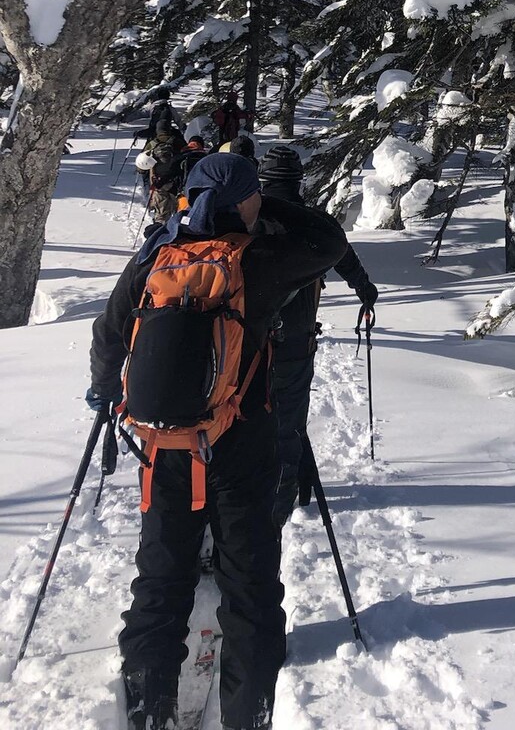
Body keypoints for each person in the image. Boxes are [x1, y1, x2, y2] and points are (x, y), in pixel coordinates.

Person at [87, 153, 353, 730]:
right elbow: (329, 241)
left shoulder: (158, 253)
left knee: (160, 580)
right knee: (249, 586)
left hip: (165, 452)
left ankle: (148, 709)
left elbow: (110, 333)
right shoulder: (260, 260)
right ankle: (246, 712)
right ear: (243, 201)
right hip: (240, 449)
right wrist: (265, 204)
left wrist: (102, 394)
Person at [257, 143, 379, 529]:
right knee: (288, 422)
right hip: (294, 343)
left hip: (240, 345)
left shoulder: (243, 218)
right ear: (298, 180)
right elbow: (346, 259)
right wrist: (366, 292)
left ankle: (233, 501)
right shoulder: (315, 223)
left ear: (263, 178)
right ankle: (280, 501)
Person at [138, 128, 186, 216]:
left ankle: (159, 224)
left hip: (158, 181)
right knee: (177, 210)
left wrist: (141, 170)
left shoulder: (153, 143)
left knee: (161, 211)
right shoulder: (177, 141)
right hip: (175, 180)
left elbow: (143, 160)